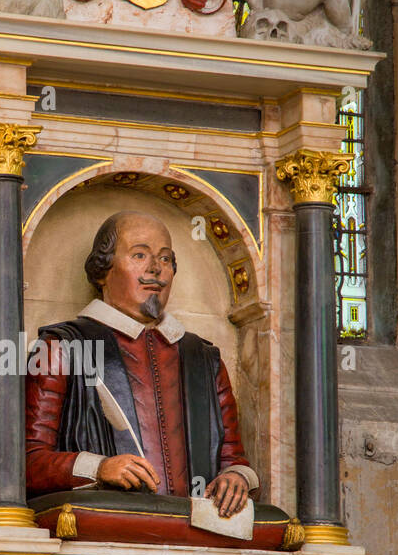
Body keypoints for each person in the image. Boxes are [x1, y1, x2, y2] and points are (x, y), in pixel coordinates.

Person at [25, 211, 257, 518]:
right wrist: (100, 467)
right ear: (102, 271)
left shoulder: (203, 358)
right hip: (105, 529)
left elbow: (232, 458)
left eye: (165, 259)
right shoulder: (61, 346)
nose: (155, 270)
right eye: (139, 255)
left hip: (195, 533)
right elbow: (27, 462)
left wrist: (236, 478)